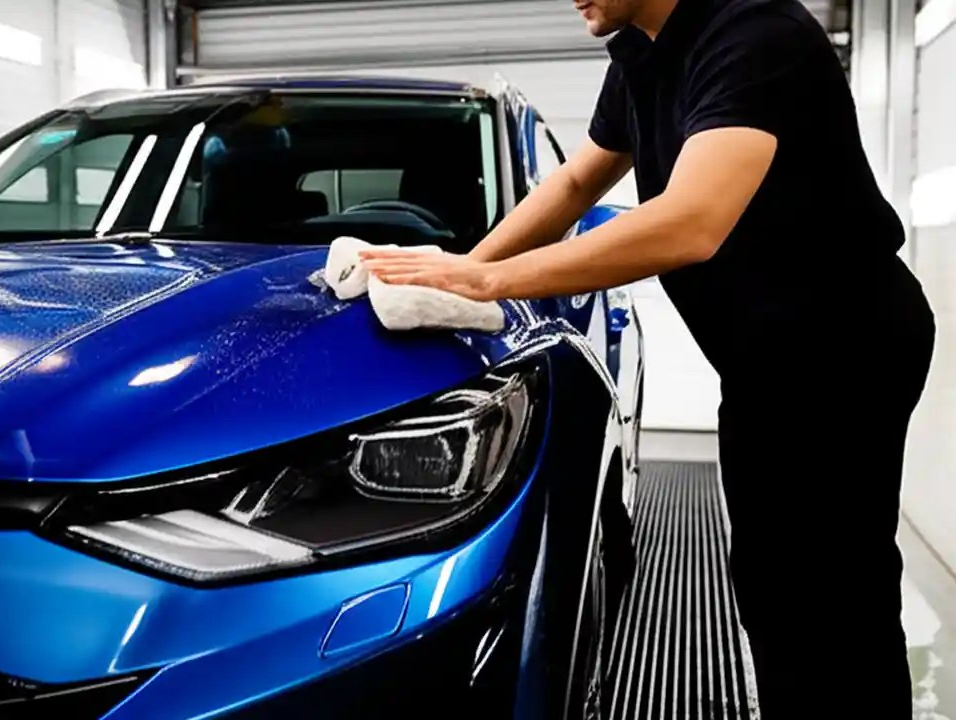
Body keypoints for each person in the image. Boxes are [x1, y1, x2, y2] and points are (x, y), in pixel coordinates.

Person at [361, 0, 935, 717]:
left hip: (840, 349)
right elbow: (574, 185)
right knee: (772, 580)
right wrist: (457, 270)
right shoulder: (641, 55)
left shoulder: (754, 34)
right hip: (768, 359)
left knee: (829, 592)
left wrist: (489, 282)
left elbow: (694, 222)